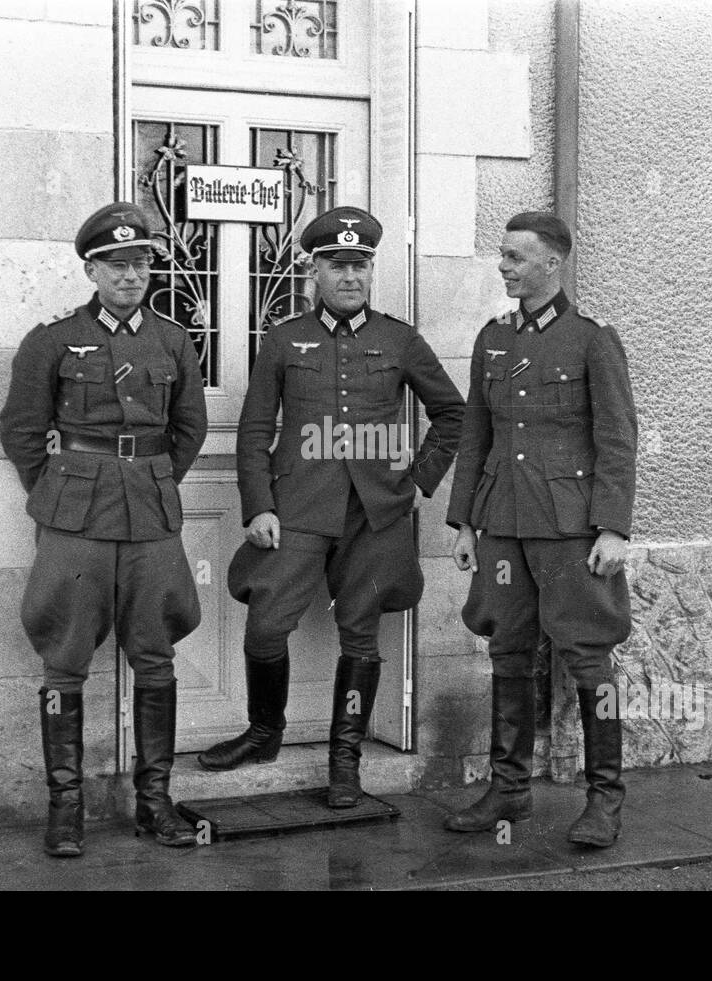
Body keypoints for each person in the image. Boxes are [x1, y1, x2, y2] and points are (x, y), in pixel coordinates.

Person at [198, 205, 465, 809]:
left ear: (371, 271)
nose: (350, 277)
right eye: (337, 266)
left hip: (375, 512)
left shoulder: (399, 339)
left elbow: (454, 414)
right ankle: (265, 732)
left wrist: (416, 479)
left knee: (361, 636)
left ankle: (345, 758)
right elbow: (254, 429)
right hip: (297, 504)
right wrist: (258, 505)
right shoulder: (285, 338)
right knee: (267, 621)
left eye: (360, 266)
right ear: (312, 270)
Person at [0, 202, 208, 856]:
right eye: (116, 264)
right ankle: (67, 809)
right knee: (64, 658)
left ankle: (154, 801)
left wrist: (151, 477)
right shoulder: (54, 340)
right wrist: (59, 488)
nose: (130, 274)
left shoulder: (173, 339)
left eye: (141, 261)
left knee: (155, 650)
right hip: (75, 513)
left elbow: (190, 427)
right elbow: (22, 430)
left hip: (148, 510)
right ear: (91, 268)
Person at [444, 211, 638, 847]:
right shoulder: (493, 340)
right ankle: (509, 790)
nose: (503, 266)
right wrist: (464, 520)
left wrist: (613, 528)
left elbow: (616, 438)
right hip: (502, 522)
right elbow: (476, 434)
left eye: (515, 257)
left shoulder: (591, 340)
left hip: (570, 528)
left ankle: (605, 799)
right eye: (503, 256)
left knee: (587, 656)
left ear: (552, 264)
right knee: (508, 649)